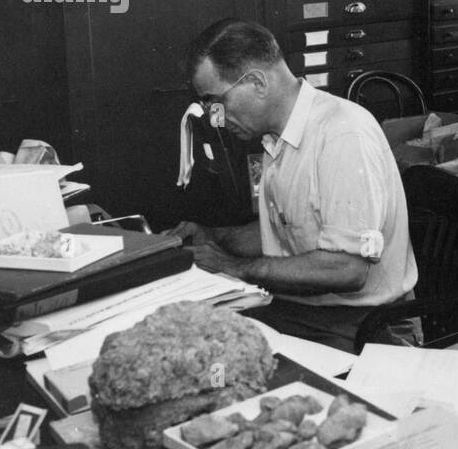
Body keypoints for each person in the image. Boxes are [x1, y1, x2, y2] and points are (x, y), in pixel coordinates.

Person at [170, 19, 417, 347]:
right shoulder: (278, 136)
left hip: (365, 326)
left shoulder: (343, 134)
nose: (215, 116)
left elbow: (347, 269)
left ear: (257, 82)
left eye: (216, 101)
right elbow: (288, 234)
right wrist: (215, 238)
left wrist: (237, 268)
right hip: (308, 310)